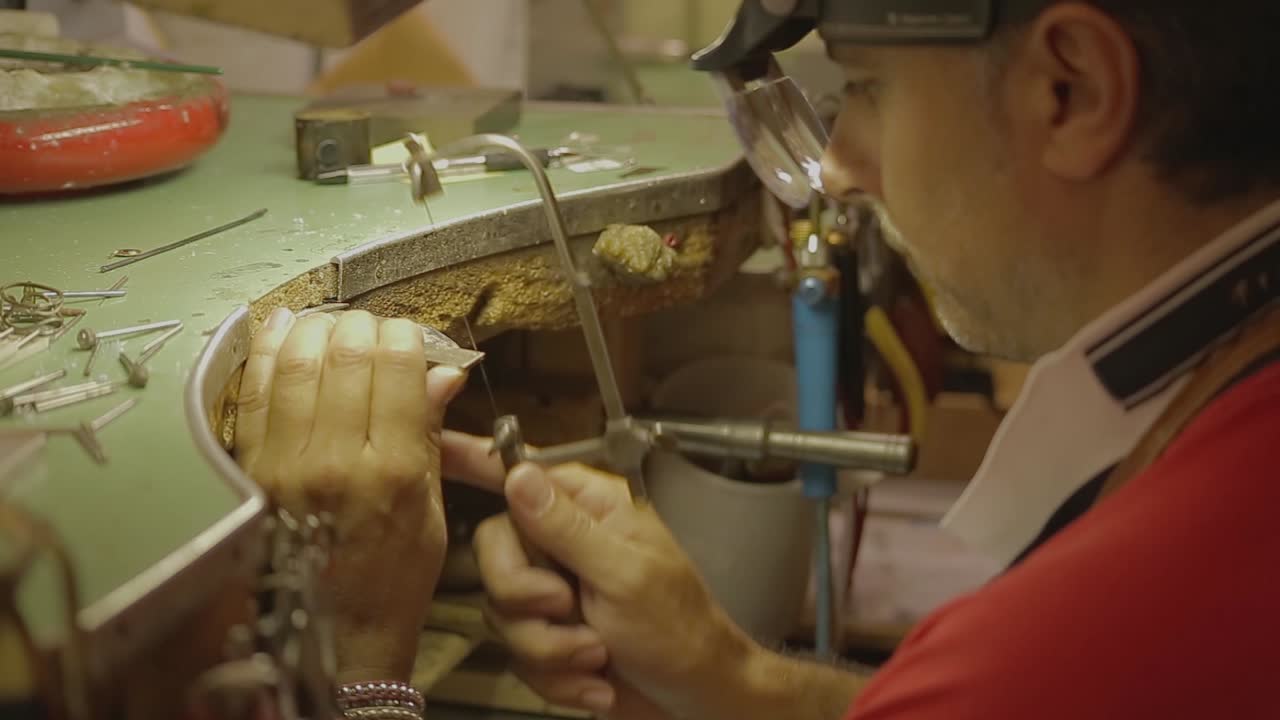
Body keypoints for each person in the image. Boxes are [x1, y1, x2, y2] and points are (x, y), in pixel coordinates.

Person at [238, 0, 1280, 718]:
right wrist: (728, 679)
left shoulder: (1077, 649)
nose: (837, 163)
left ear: (1071, 90)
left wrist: (356, 661)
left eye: (864, 87)